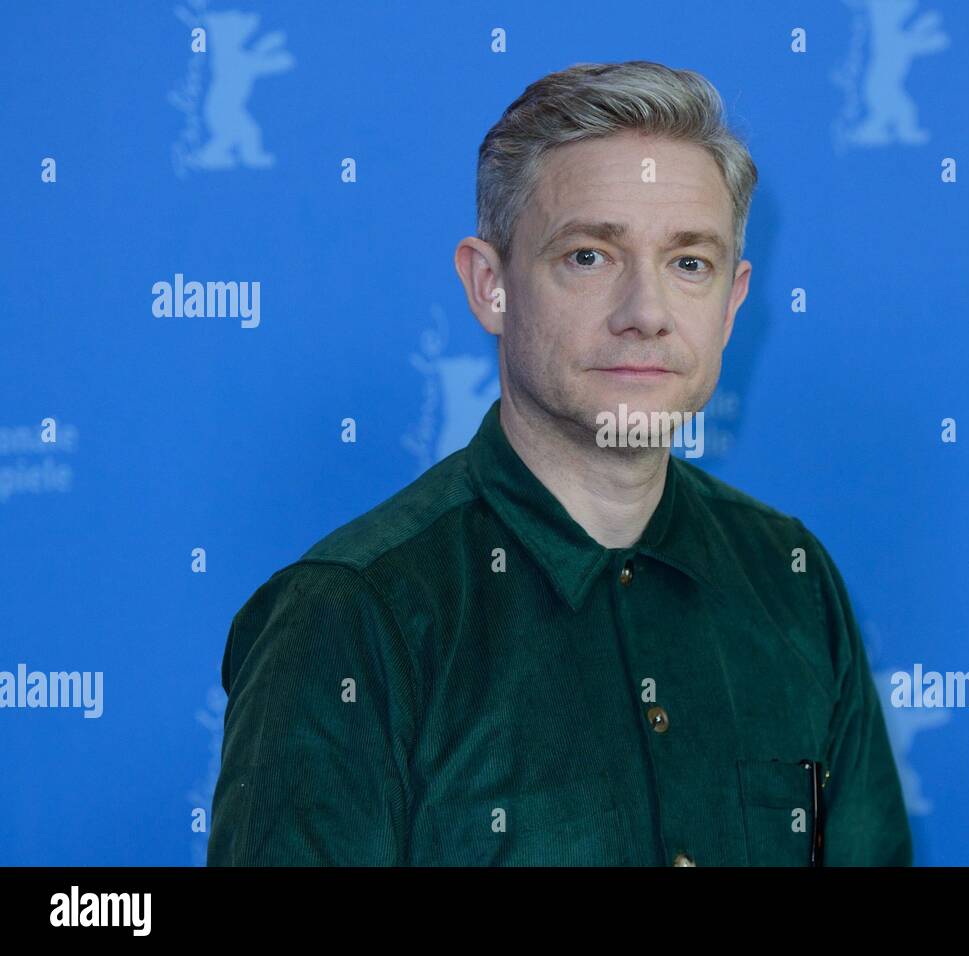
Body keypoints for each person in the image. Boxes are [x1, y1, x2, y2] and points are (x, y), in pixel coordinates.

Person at [207, 60, 912, 866]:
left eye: (689, 263)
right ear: (489, 285)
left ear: (732, 302)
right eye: (589, 255)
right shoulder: (347, 617)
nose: (646, 313)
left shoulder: (790, 579)